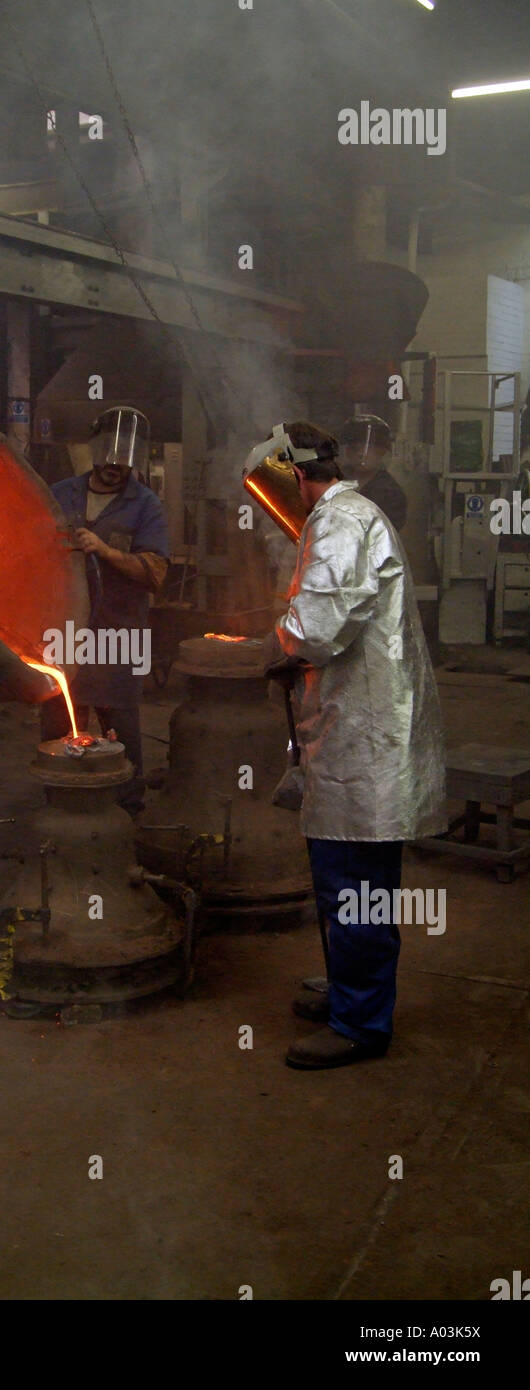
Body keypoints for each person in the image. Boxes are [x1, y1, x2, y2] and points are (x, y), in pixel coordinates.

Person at [251, 420, 446, 1070]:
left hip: (364, 742)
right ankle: (347, 991)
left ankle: (360, 1023)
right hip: (353, 729)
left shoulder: (340, 523)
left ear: (293, 475)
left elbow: (317, 626)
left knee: (355, 882)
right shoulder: (350, 515)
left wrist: (277, 641)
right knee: (345, 882)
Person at [42, 406, 170, 816]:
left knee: (121, 726)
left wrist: (107, 551)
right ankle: (60, 803)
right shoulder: (60, 494)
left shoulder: (145, 504)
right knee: (57, 721)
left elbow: (155, 572)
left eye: (126, 458)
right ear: (94, 450)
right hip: (64, 631)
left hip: (120, 631)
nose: (117, 464)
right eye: (110, 454)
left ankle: (127, 811)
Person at [337, 414, 407, 531]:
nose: (361, 454)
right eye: (355, 448)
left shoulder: (391, 494)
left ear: (382, 451)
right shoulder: (334, 482)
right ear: (347, 451)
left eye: (368, 448)